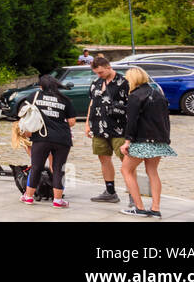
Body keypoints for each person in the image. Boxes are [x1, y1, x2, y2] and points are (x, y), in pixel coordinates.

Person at [120, 67, 175, 218]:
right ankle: (156, 209)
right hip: (159, 139)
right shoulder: (158, 94)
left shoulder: (135, 96)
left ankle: (139, 207)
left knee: (126, 170)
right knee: (152, 172)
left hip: (141, 140)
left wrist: (127, 141)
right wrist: (166, 139)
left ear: (132, 79)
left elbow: (131, 121)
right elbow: (166, 119)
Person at [21, 74, 76, 208]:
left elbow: (25, 112)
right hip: (62, 138)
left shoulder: (34, 96)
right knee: (58, 169)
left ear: (41, 86)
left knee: (36, 167)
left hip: (41, 137)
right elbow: (72, 121)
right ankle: (58, 200)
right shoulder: (65, 99)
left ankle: (28, 197)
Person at [86, 56, 129, 203]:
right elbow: (92, 103)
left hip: (119, 128)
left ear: (109, 67)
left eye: (101, 72)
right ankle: (110, 191)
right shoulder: (96, 83)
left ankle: (132, 194)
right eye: (97, 73)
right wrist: (87, 124)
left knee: (127, 161)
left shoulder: (124, 82)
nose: (99, 75)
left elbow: (132, 105)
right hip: (98, 127)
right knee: (103, 158)